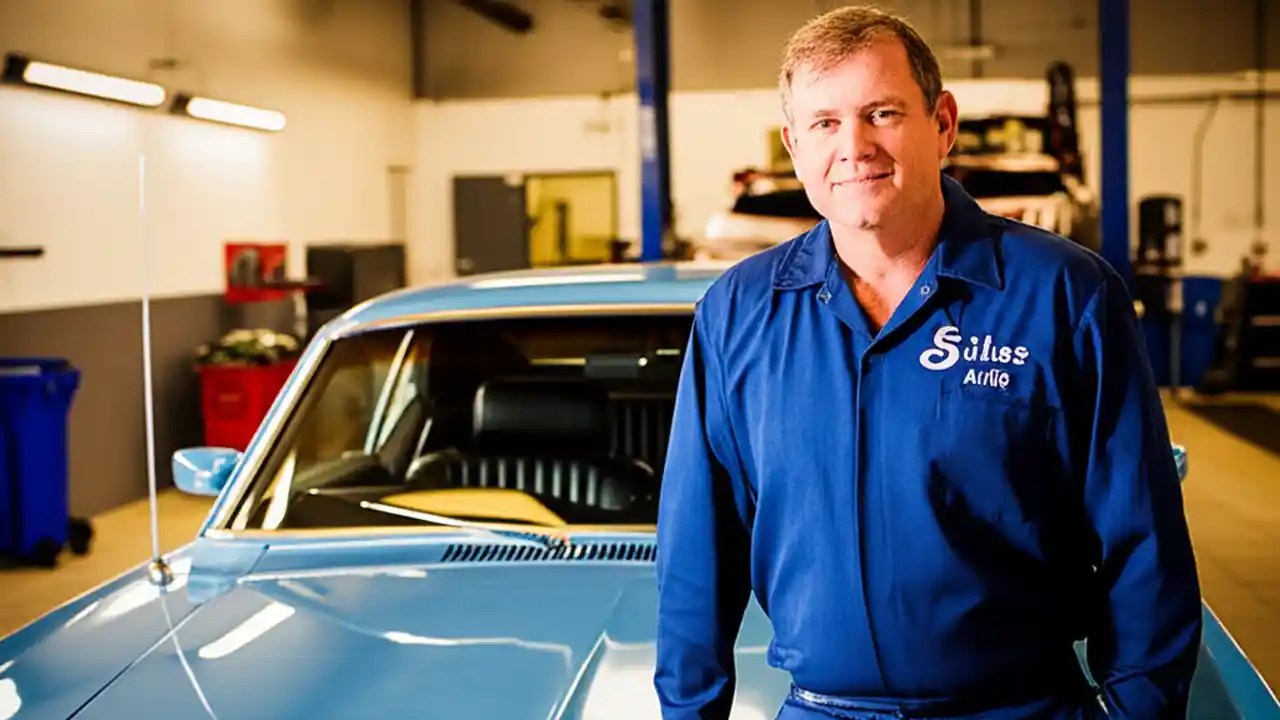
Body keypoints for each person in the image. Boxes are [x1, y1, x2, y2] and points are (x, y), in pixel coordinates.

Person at [654, 6, 1202, 720]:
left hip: (1021, 710)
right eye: (824, 123)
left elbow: (1145, 545)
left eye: (882, 113)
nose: (853, 147)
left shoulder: (1064, 294)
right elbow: (698, 553)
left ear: (943, 123)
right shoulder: (739, 313)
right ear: (793, 143)